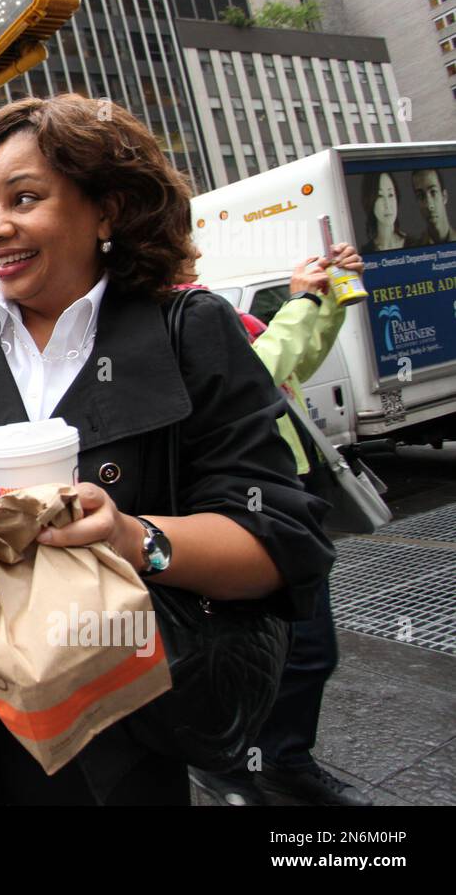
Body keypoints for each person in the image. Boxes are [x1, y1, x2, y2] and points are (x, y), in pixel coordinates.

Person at [0, 94, 335, 805]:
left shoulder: (189, 331)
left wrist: (134, 536)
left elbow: (275, 540)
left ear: (109, 210)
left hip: (111, 731)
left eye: (24, 199)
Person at [189, 249, 373, 807]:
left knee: (301, 647)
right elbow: (255, 376)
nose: (195, 250)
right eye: (180, 236)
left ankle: (270, 757)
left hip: (290, 488)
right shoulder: (177, 317)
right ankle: (251, 759)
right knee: (293, 647)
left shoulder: (222, 315)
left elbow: (294, 364)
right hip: (251, 502)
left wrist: (329, 300)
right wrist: (301, 300)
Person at [361, 172, 419, 252]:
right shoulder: (365, 252)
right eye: (380, 196)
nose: (387, 205)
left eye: (390, 195)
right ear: (370, 200)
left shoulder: (415, 245)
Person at [412, 168, 454, 245]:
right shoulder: (413, 250)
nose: (429, 205)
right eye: (420, 196)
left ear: (444, 197)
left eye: (433, 192)